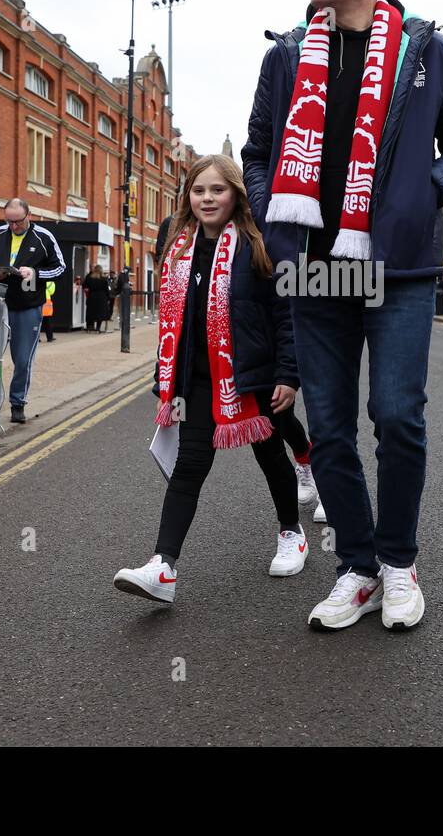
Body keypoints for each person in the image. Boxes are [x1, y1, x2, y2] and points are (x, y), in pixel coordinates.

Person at [241, 0, 443, 630]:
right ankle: (357, 568)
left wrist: (424, 192)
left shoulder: (427, 50)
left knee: (398, 416)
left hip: (398, 264)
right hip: (315, 267)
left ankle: (399, 563)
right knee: (333, 430)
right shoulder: (286, 56)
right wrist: (278, 233)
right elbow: (258, 154)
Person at [113, 157, 306, 604]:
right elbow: (172, 318)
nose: (207, 198)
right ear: (189, 197)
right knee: (190, 466)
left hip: (252, 376)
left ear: (235, 193)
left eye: (217, 190)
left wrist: (288, 375)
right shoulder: (177, 243)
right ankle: (163, 566)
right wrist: (166, 378)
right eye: (199, 190)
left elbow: (285, 316)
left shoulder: (258, 244)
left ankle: (292, 531)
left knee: (269, 454)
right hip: (197, 378)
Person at [0, 198, 65, 424]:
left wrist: (35, 273)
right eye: (9, 221)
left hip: (28, 306)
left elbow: (60, 267)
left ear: (29, 215)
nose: (13, 226)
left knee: (22, 359)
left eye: (18, 222)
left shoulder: (44, 237)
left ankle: (17, 403)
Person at [83, 265, 113, 332]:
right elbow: (106, 290)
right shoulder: (104, 279)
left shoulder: (90, 278)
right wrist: (108, 298)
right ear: (101, 270)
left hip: (92, 296)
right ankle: (98, 328)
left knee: (91, 312)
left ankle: (89, 328)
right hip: (102, 298)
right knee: (100, 313)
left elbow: (84, 285)